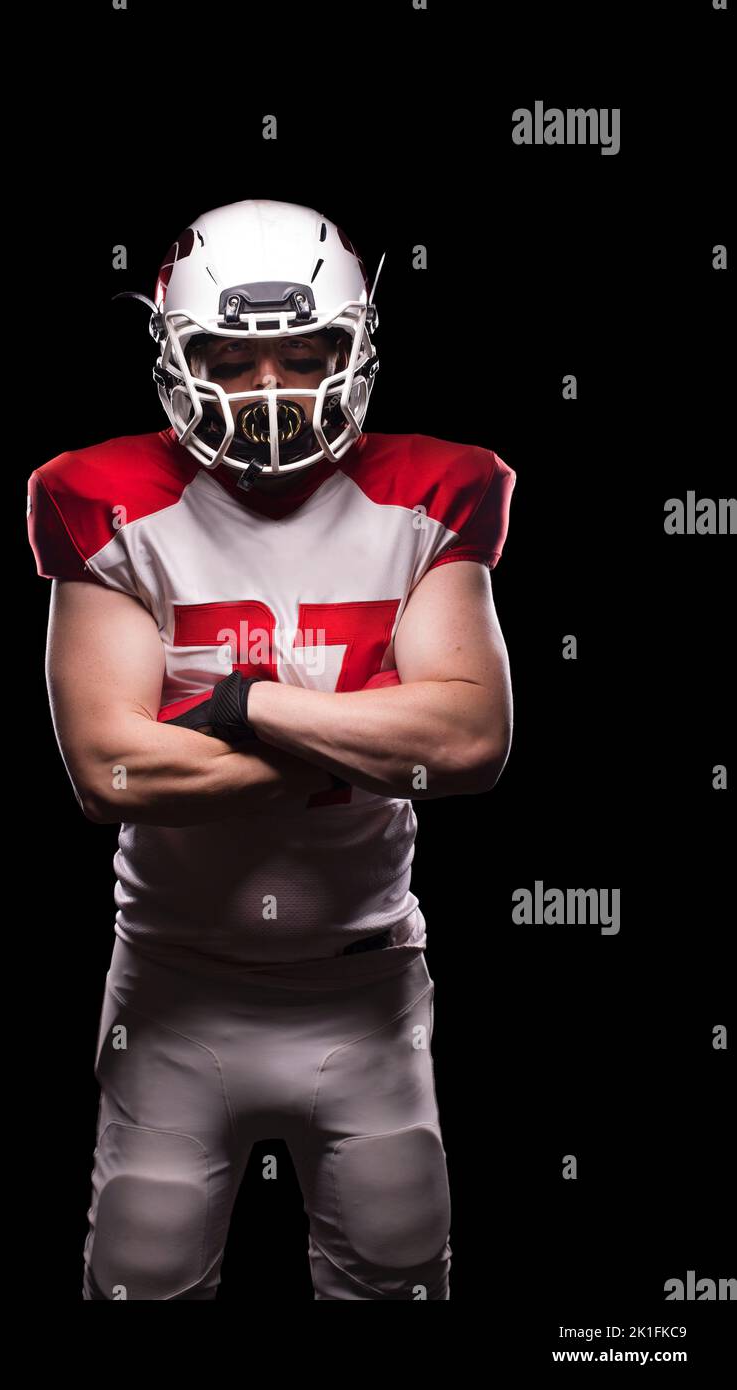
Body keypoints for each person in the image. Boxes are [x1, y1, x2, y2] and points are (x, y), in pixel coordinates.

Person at [26, 198, 516, 1299]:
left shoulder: (431, 488)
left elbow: (470, 739)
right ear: (176, 356)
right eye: (234, 360)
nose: (274, 391)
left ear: (357, 349)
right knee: (139, 1274)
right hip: (171, 985)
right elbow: (110, 770)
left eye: (307, 355)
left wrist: (245, 705)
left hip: (369, 986)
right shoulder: (102, 498)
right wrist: (367, 724)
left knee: (398, 1269)